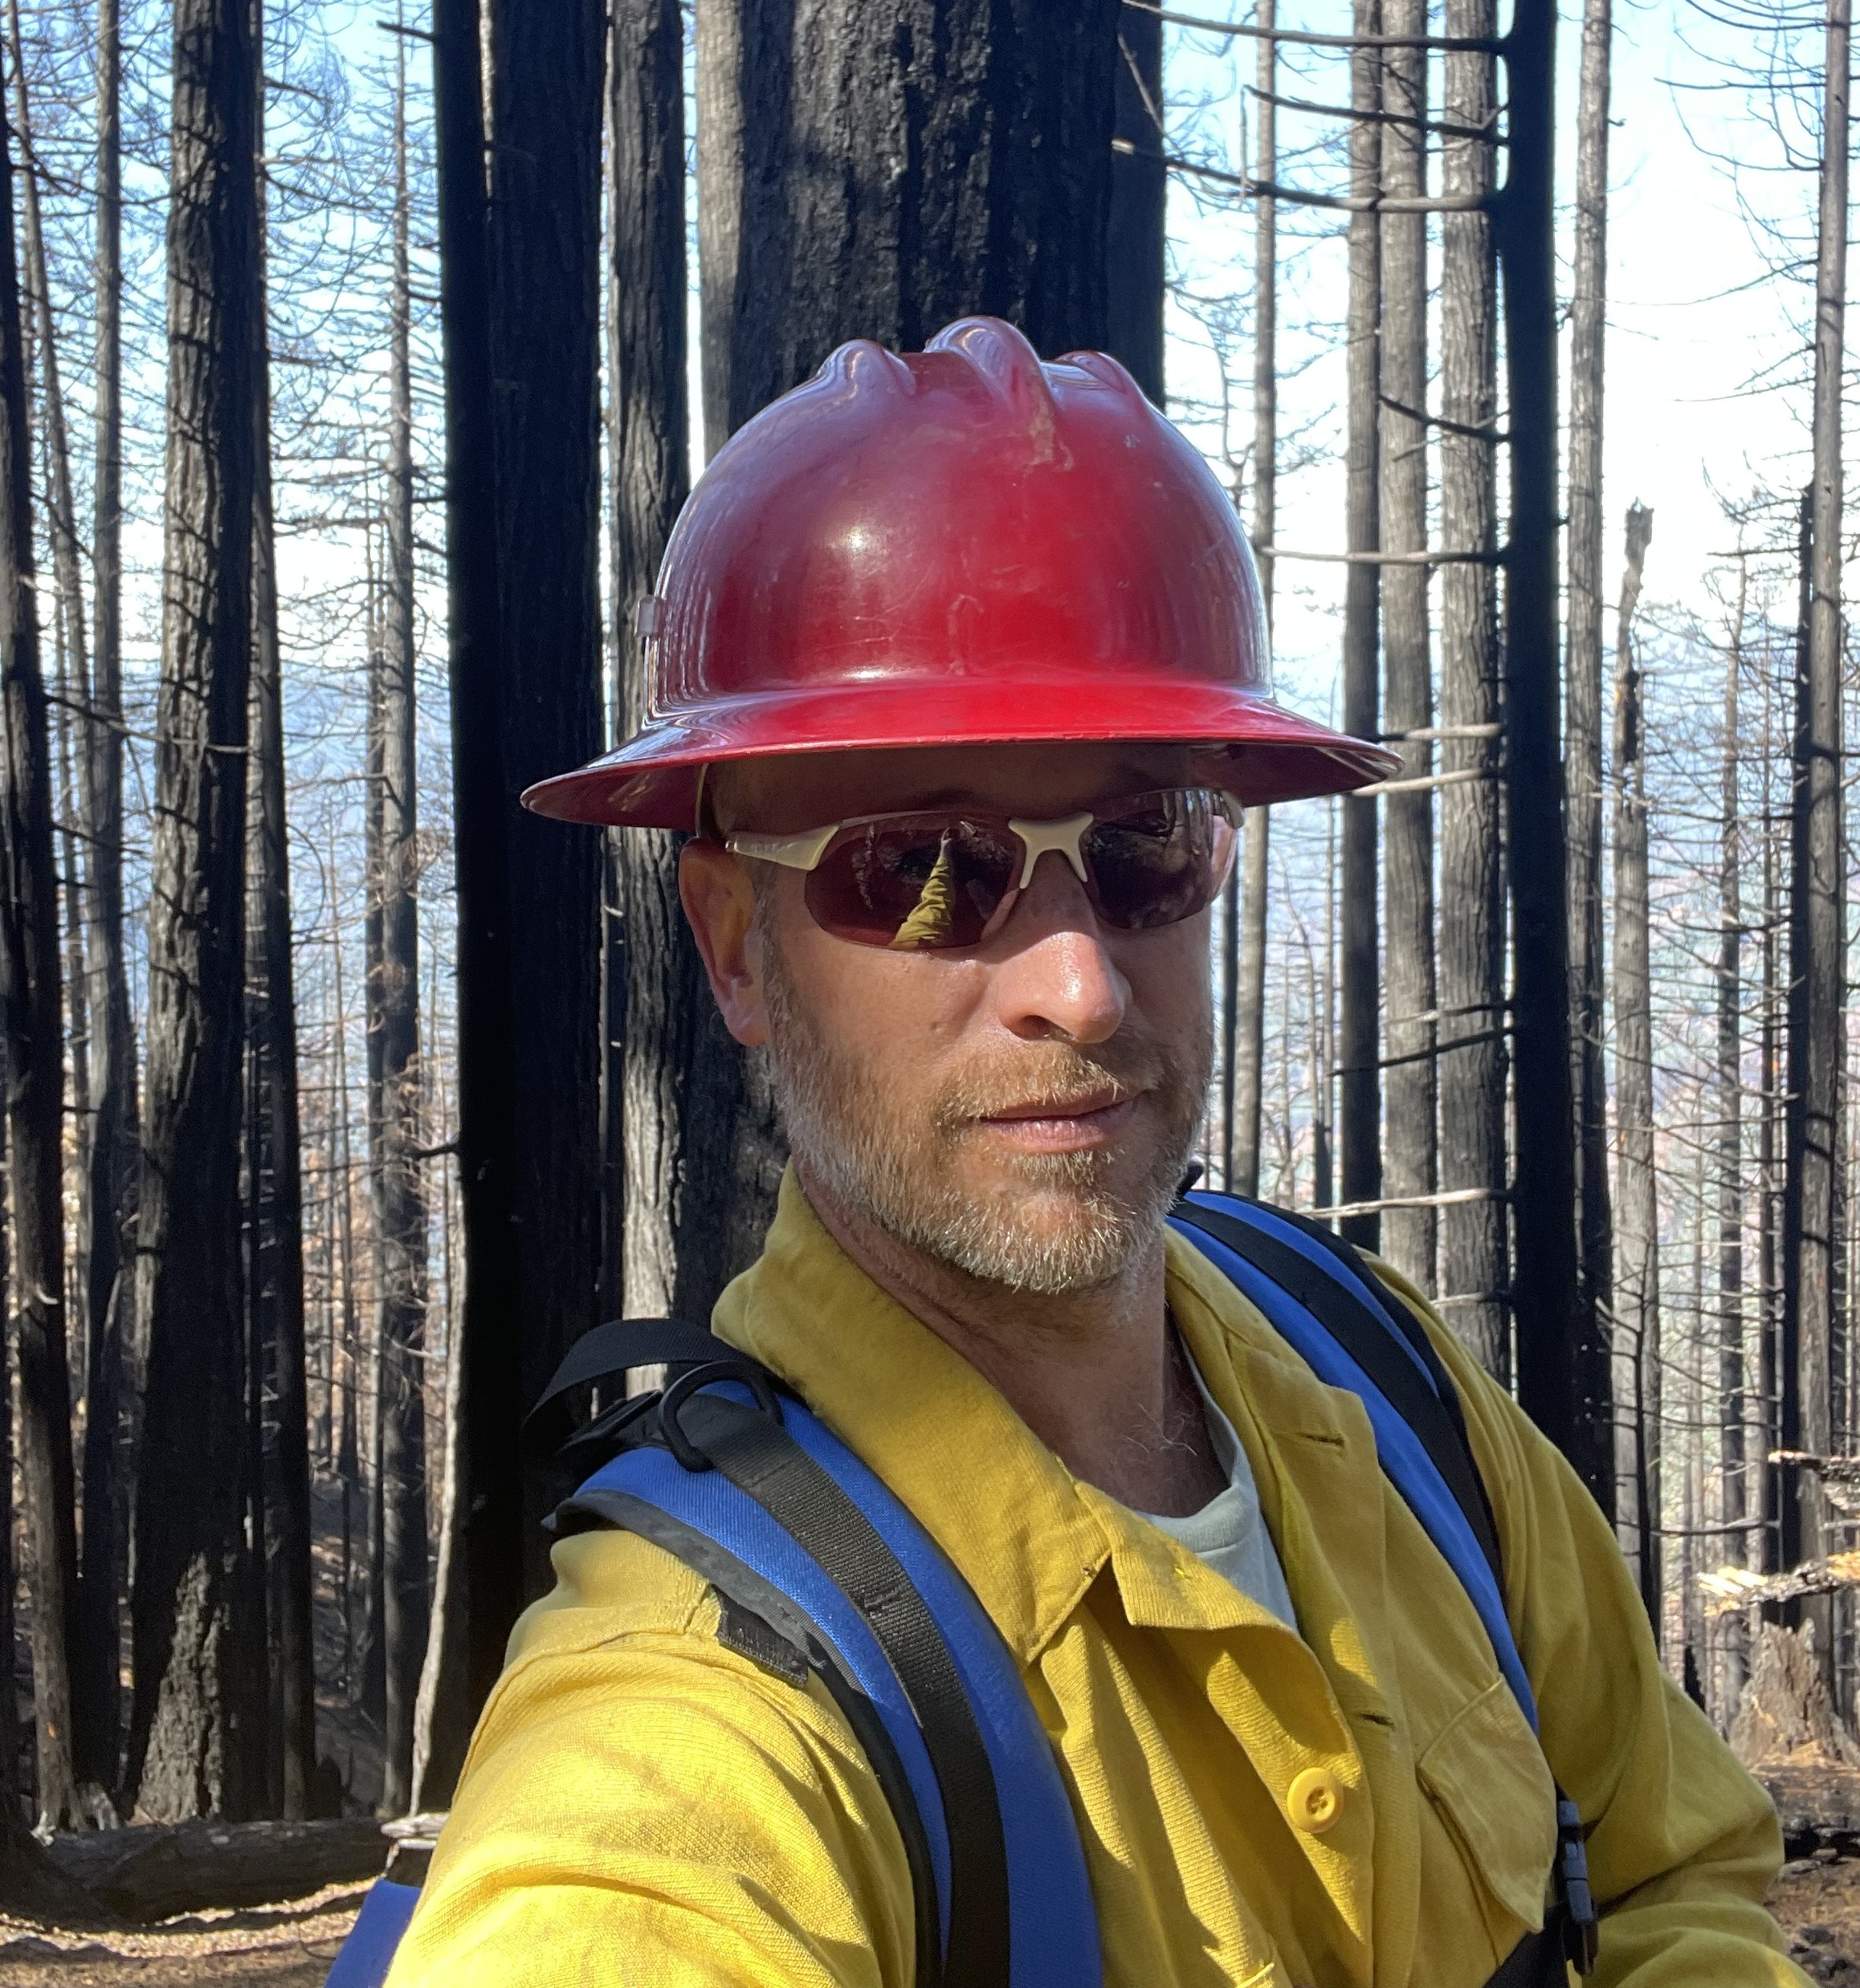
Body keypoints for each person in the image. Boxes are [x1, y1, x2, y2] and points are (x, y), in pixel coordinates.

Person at [386, 318, 1800, 1986]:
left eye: (1145, 846)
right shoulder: (691, 1701)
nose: (1079, 983)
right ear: (737, 944)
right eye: (924, 867)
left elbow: (1673, 1871)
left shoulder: (1386, 1379)